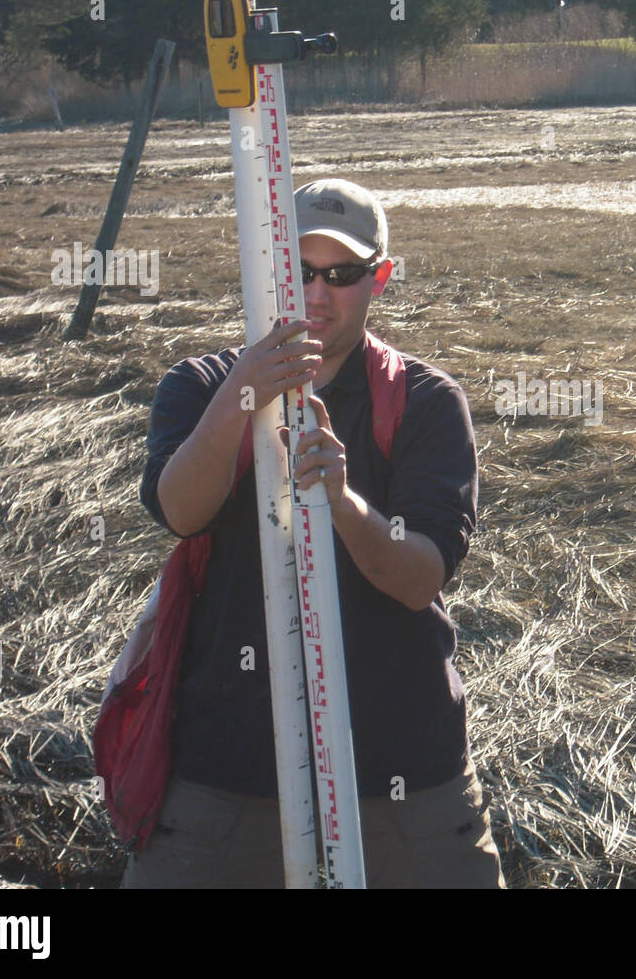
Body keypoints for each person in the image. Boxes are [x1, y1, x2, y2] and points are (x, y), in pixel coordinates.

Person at [122, 178, 504, 888]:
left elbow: (420, 575)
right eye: (298, 270)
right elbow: (180, 510)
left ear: (379, 278)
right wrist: (245, 392)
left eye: (344, 274)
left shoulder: (425, 402)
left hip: (399, 774)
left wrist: (342, 500)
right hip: (228, 772)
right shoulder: (200, 385)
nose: (317, 293)